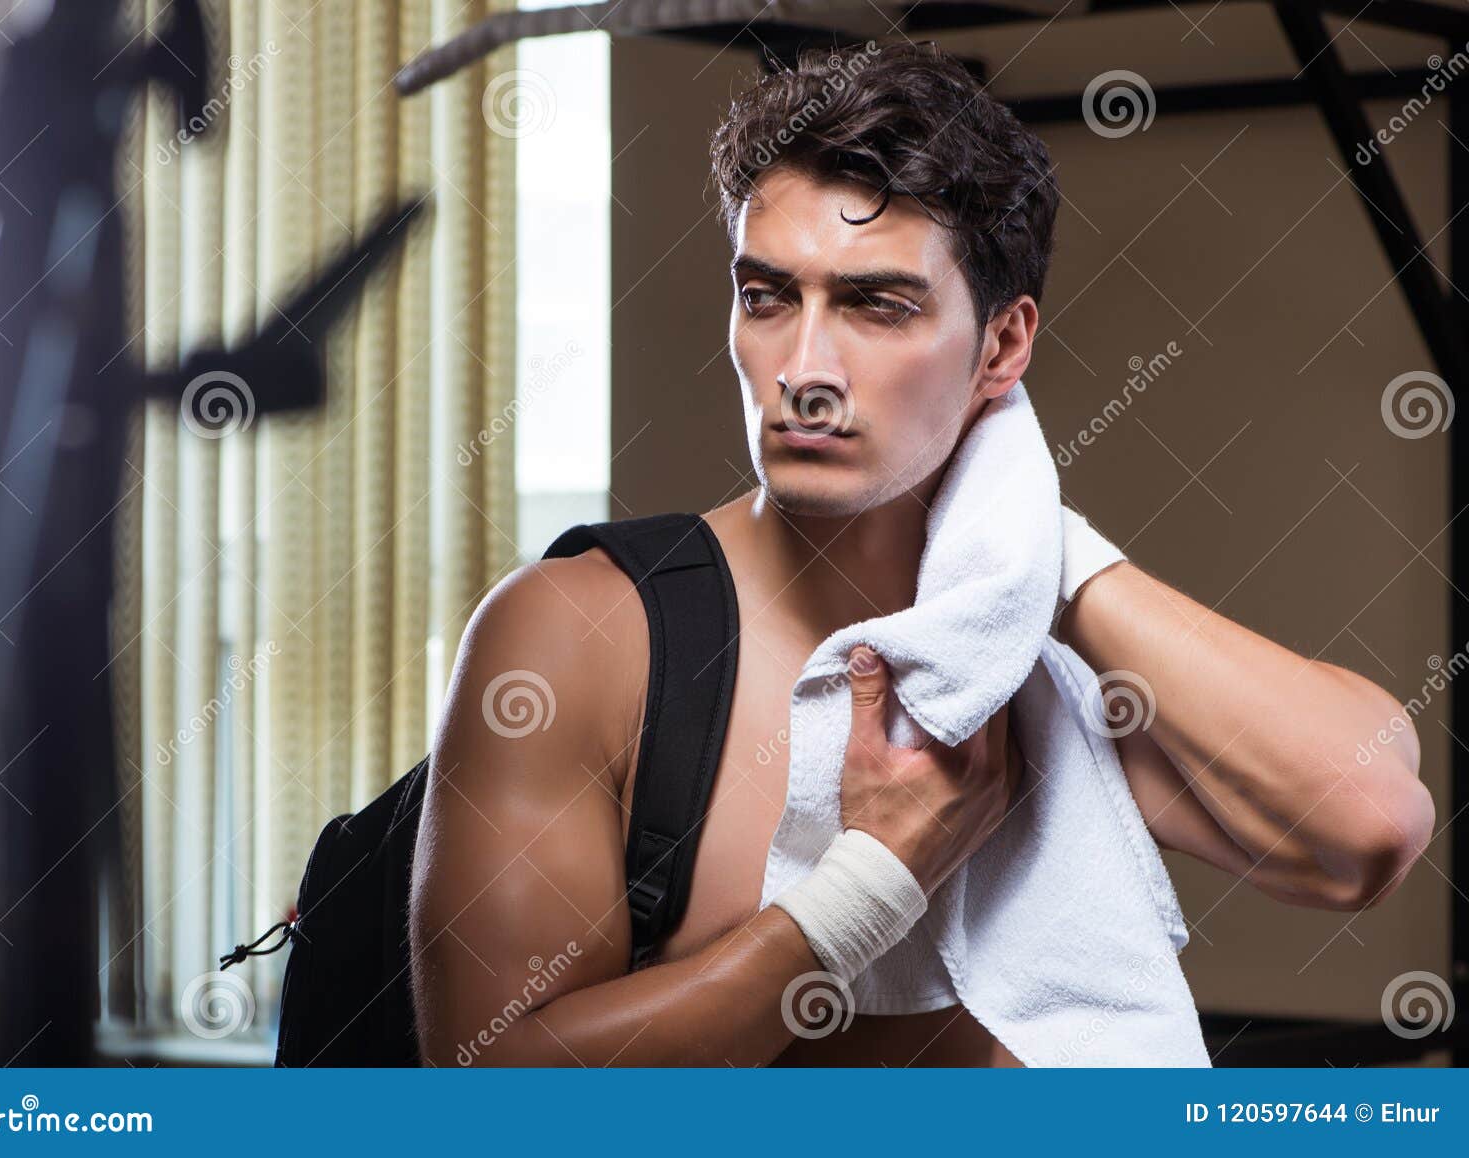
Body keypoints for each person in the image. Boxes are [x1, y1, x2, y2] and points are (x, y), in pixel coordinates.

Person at [409, 40, 1434, 1066]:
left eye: (875, 305)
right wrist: (871, 882)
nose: (803, 372)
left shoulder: (1018, 651)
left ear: (1001, 348)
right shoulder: (582, 634)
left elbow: (1364, 828)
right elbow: (492, 1088)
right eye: (767, 297)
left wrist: (1046, 554)